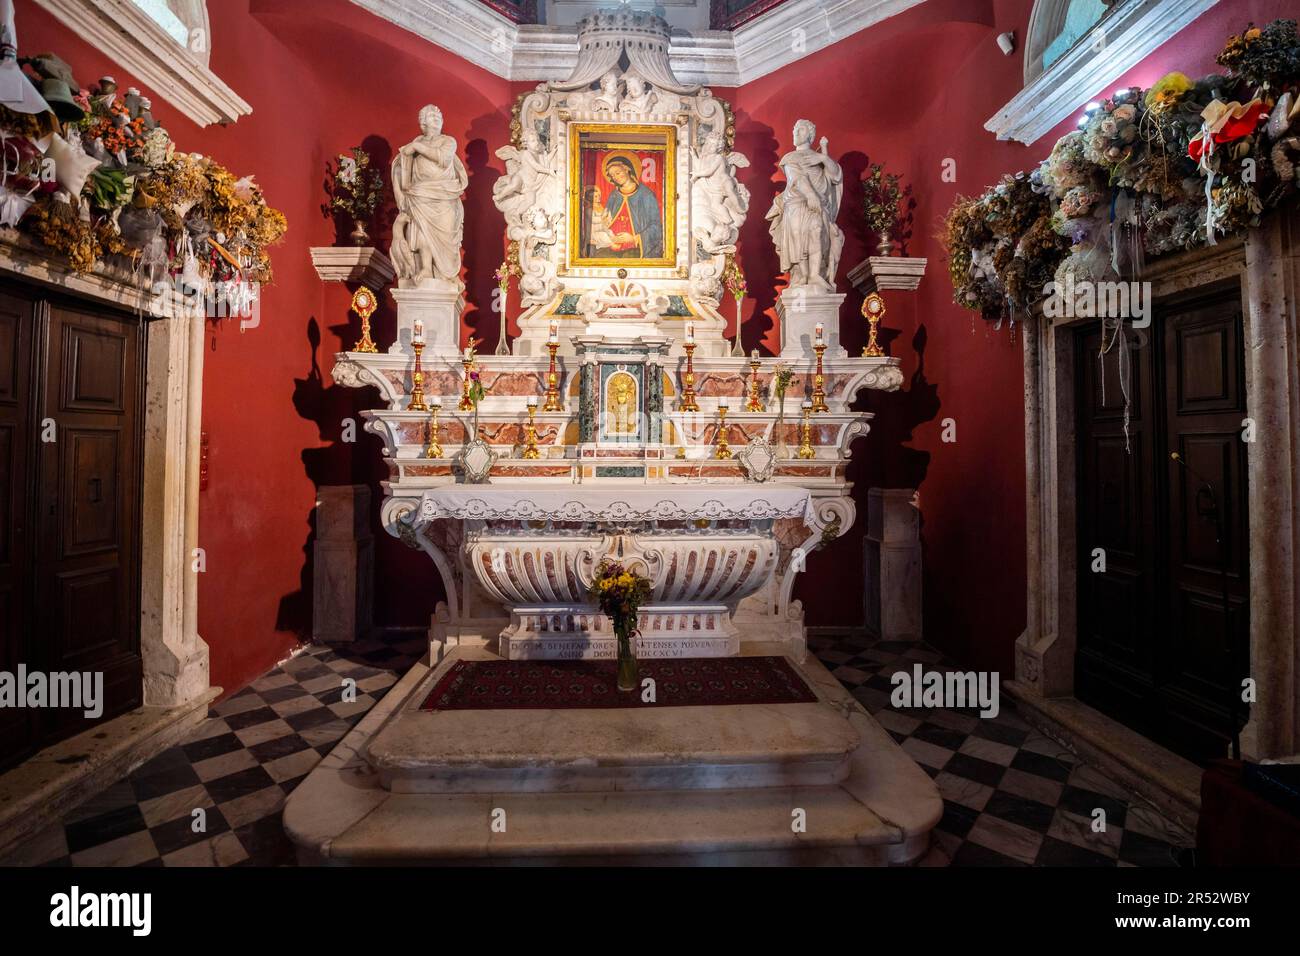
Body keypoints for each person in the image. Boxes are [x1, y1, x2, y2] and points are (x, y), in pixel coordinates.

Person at [391, 104, 468, 285]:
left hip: (444, 194)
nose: (437, 118)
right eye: (432, 116)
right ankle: (426, 268)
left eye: (438, 116)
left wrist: (417, 147)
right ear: (422, 122)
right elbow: (401, 166)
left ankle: (445, 274)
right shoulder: (416, 142)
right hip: (420, 194)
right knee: (422, 230)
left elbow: (443, 158)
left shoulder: (448, 141)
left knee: (446, 234)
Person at [601, 154, 663, 258]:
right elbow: (607, 221)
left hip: (636, 247)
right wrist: (605, 223)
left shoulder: (646, 195)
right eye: (612, 176)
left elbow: (656, 227)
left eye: (618, 173)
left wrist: (634, 238)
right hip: (612, 245)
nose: (615, 177)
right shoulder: (614, 195)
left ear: (627, 169)